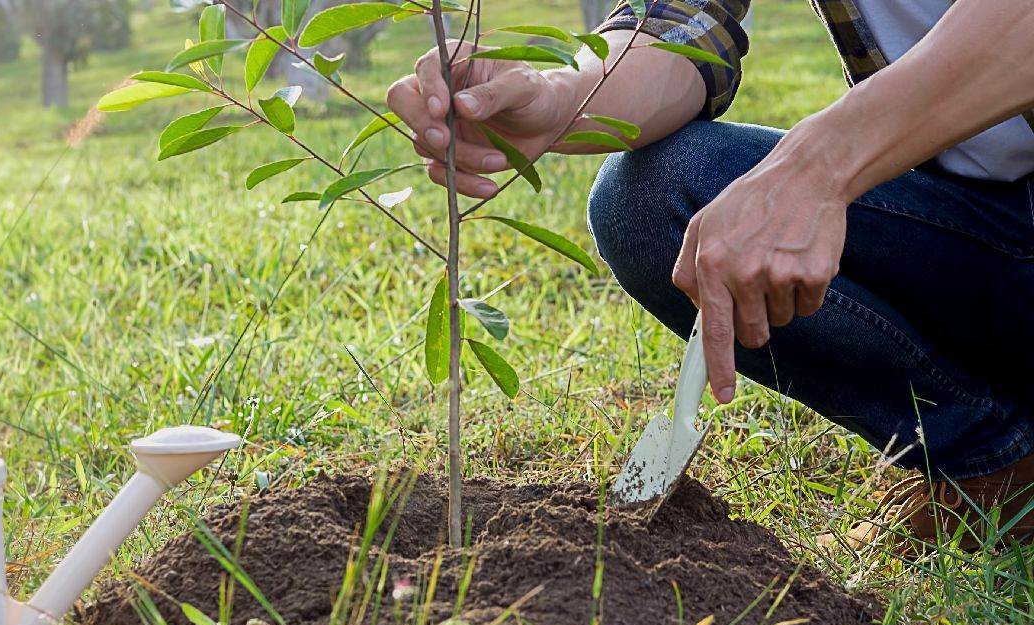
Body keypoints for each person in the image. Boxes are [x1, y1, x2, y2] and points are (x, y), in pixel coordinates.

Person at [386, 1, 1034, 550]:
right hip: (986, 228)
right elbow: (683, 20)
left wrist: (822, 162)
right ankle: (993, 463)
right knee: (653, 194)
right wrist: (558, 92)